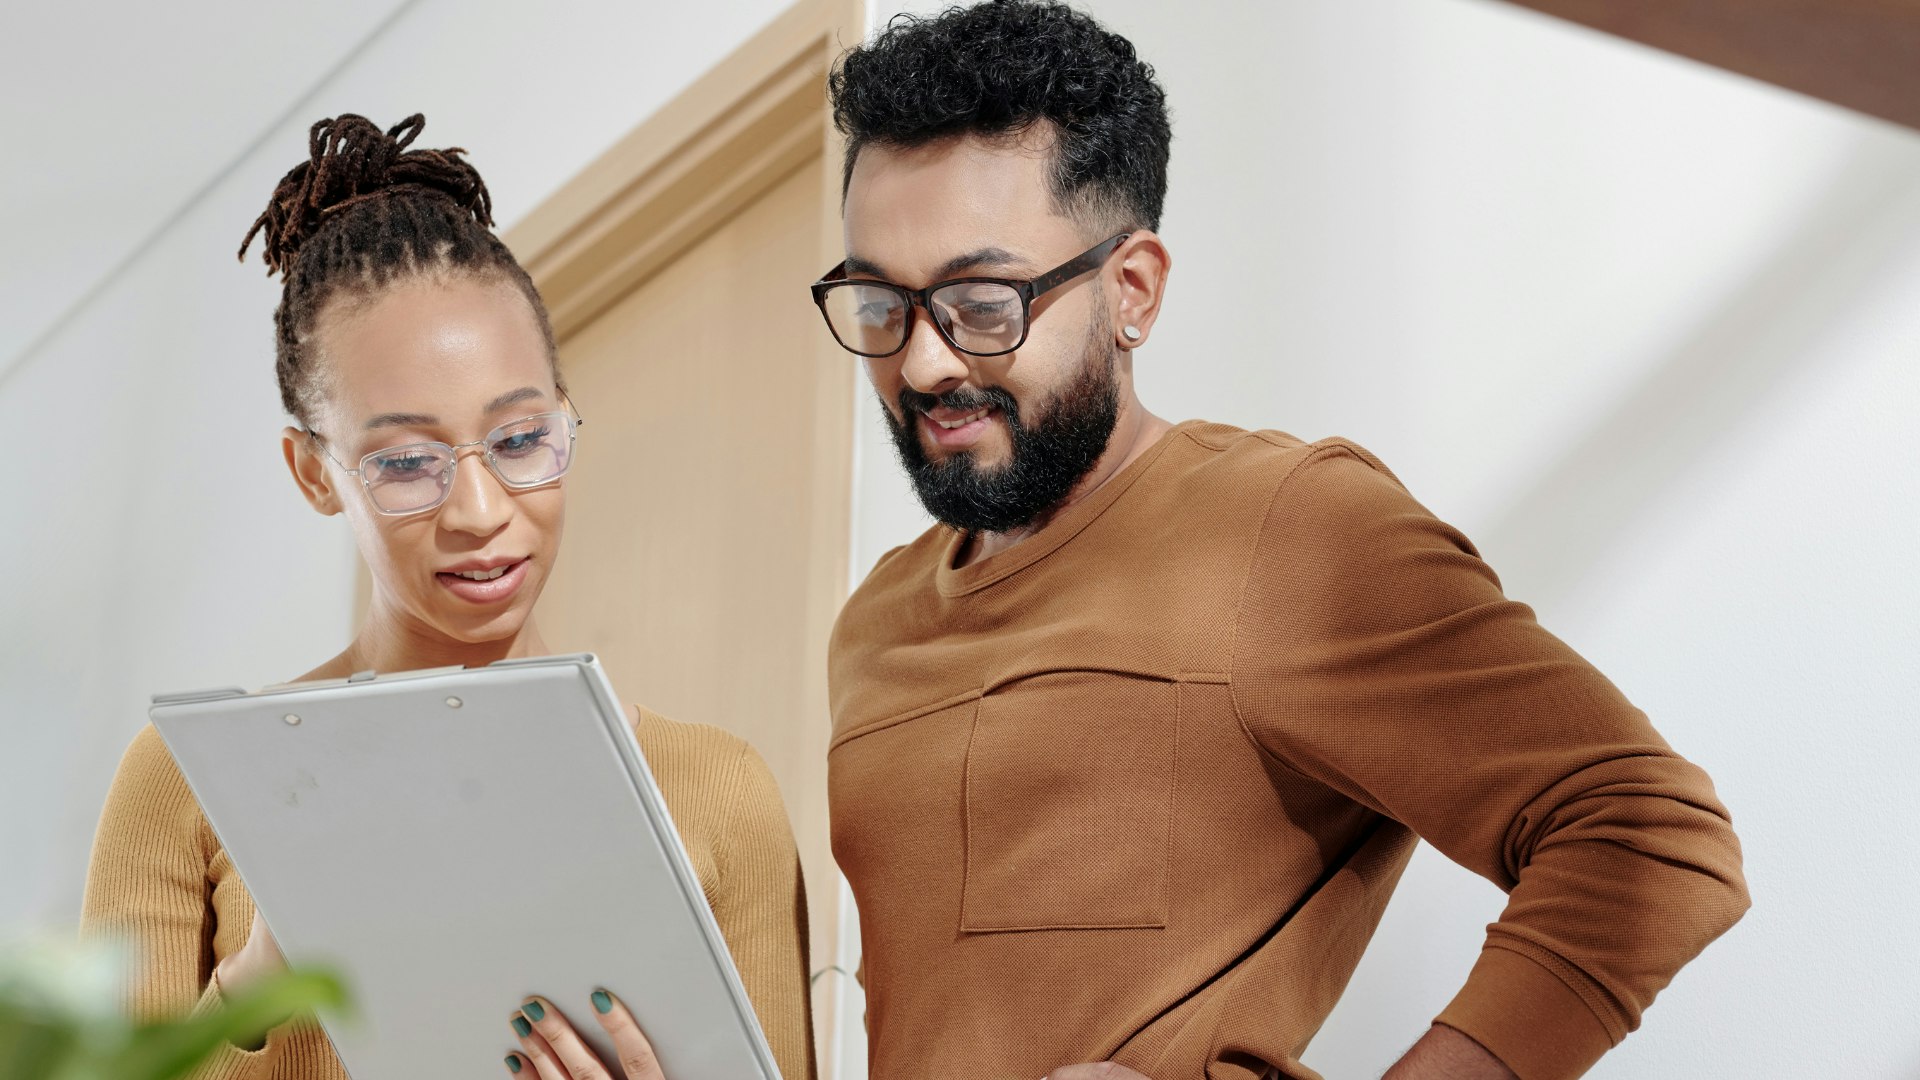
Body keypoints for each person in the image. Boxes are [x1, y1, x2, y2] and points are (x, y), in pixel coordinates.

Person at [813, 3, 1749, 1079]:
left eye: (982, 303)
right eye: (881, 303)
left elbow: (1651, 837)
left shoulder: (1289, 528)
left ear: (1133, 290)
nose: (923, 363)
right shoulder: (872, 624)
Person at [80, 114, 815, 1080]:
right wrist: (258, 980)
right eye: (407, 462)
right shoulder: (187, 781)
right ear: (313, 473)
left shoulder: (719, 794)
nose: (479, 512)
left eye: (518, 441)